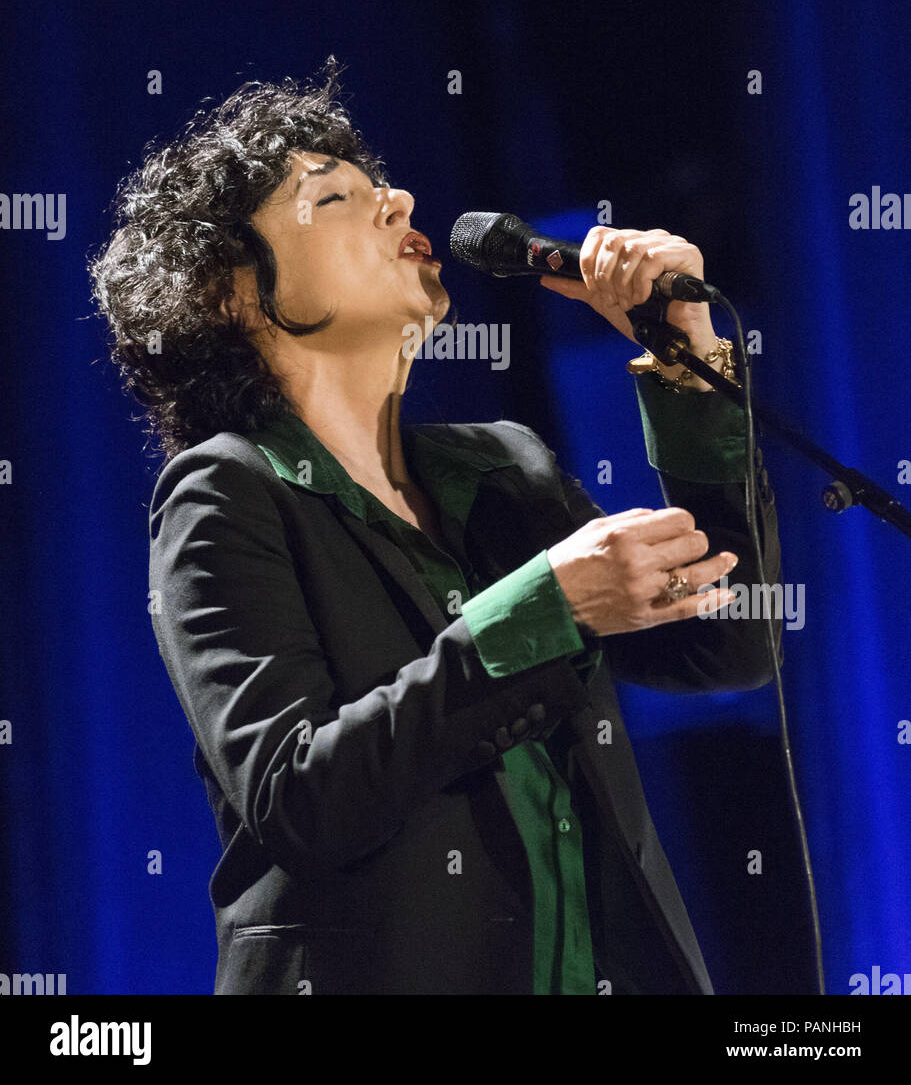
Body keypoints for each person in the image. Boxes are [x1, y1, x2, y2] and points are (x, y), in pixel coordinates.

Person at [89, 61, 783, 995]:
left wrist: (687, 356)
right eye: (332, 196)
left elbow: (723, 648)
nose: (397, 199)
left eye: (381, 184)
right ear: (231, 293)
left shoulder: (499, 465)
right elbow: (300, 799)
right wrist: (545, 608)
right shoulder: (224, 493)